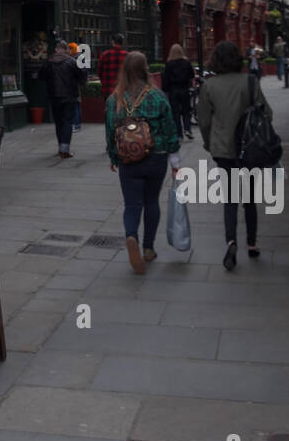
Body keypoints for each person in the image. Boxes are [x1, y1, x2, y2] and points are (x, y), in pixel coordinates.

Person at [197, 40, 272, 270]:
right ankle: (252, 243)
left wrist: (210, 143)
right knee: (249, 198)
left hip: (223, 149)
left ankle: (231, 241)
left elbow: (204, 120)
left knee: (229, 198)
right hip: (249, 149)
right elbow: (266, 113)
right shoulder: (250, 82)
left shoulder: (209, 86)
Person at [105, 51, 180, 274]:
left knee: (131, 204)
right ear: (145, 69)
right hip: (156, 156)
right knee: (151, 201)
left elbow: (110, 131)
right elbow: (169, 128)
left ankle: (131, 237)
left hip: (129, 159)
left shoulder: (115, 99)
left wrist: (113, 156)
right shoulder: (157, 96)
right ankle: (148, 248)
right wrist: (174, 159)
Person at [42, 38, 83, 159]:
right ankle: (64, 149)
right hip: (69, 96)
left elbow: (41, 75)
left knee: (59, 122)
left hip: (54, 96)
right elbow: (81, 77)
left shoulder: (49, 61)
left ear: (57, 50)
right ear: (66, 50)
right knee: (67, 122)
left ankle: (61, 146)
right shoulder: (72, 62)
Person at [161, 43, 194, 140]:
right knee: (186, 110)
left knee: (175, 112)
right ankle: (188, 129)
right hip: (184, 89)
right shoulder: (186, 63)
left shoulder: (169, 64)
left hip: (173, 90)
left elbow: (165, 79)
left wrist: (165, 90)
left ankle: (179, 133)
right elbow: (191, 75)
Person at [98, 33, 127, 100]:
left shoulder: (105, 55)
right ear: (122, 43)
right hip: (123, 89)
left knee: (109, 109)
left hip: (108, 89)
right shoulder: (127, 56)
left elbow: (100, 72)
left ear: (113, 42)